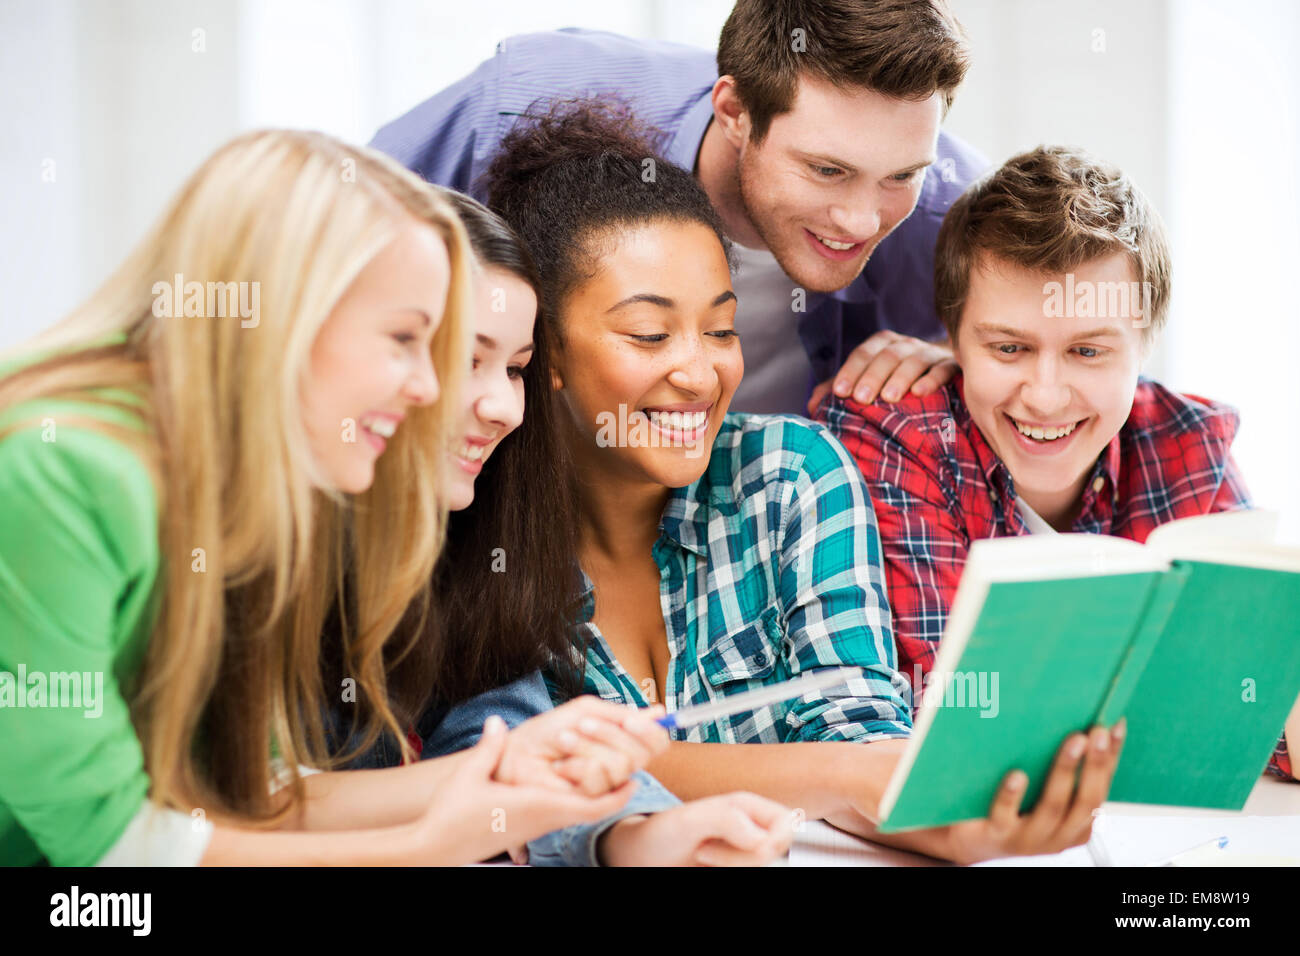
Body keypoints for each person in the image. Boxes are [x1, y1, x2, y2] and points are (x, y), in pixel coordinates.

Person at [0, 129, 683, 867]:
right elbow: (106, 848)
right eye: (406, 340)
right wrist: (425, 847)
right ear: (288, 318)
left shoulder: (258, 494)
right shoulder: (63, 475)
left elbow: (254, 794)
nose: (427, 387)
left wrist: (508, 769)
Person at [484, 99, 1125, 865]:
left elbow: (858, 735)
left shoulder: (792, 476)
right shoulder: (482, 541)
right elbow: (515, 770)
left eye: (721, 329)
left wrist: (959, 824)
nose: (699, 373)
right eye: (650, 334)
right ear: (543, 347)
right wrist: (845, 777)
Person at [327, 188, 796, 866]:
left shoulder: (457, 540)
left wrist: (640, 836)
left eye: (513, 368)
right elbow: (221, 814)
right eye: (464, 358)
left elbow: (492, 729)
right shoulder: (227, 548)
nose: (500, 408)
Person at [818, 144, 1297, 780]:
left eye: (1088, 353)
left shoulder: (1189, 442)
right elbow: (951, 717)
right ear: (950, 339)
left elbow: (1262, 710)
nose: (1045, 395)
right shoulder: (897, 437)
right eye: (1009, 347)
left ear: (1146, 344)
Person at [371, 0, 988, 417]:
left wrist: (970, 357)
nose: (860, 220)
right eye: (827, 171)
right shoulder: (527, 101)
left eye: (901, 175)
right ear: (735, 112)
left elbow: (1064, 348)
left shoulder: (951, 212)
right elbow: (326, 250)